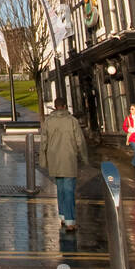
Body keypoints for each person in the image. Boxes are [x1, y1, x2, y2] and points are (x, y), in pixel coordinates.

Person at [39, 95, 87, 232]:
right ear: (65, 106)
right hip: (69, 158)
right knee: (69, 190)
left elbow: (43, 142)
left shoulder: (48, 121)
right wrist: (84, 157)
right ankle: (70, 221)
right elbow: (80, 141)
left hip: (54, 159)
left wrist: (43, 159)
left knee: (60, 189)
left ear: (55, 107)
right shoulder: (72, 121)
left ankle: (62, 217)